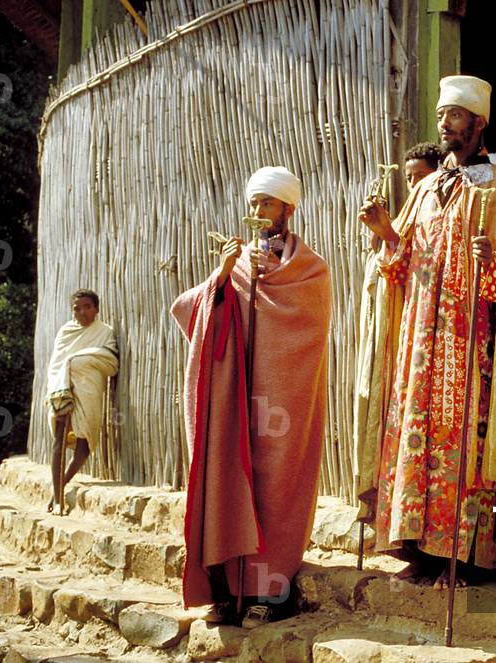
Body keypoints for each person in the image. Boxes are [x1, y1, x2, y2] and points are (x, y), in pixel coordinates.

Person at [358, 75, 496, 587]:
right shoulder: (422, 189)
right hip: (420, 342)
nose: (445, 125)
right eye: (442, 116)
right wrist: (385, 235)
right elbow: (401, 265)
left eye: (456, 117)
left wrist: (493, 264)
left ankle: (464, 556)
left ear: (479, 123)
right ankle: (418, 546)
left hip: (472, 344)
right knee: (416, 437)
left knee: (466, 442)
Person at [171, 166, 332, 626]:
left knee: (276, 486)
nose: (258, 211)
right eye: (254, 203)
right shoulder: (238, 265)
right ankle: (229, 589)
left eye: (268, 203)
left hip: (283, 401)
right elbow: (192, 311)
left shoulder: (310, 270)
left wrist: (279, 363)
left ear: (289, 209)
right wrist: (222, 277)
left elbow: (312, 333)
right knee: (229, 478)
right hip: (235, 400)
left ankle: (269, 591)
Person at [353, 142, 445, 525]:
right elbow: (393, 269)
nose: (414, 185)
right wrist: (386, 234)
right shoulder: (409, 214)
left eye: (420, 177)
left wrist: (391, 235)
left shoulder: (442, 213)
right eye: (409, 179)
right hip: (401, 340)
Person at [45, 289, 119, 513]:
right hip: (62, 389)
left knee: (84, 447)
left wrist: (79, 360)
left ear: (96, 308)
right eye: (77, 308)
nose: (82, 312)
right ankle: (58, 499)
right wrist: (64, 378)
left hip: (88, 390)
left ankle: (61, 485)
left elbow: (111, 362)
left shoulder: (105, 332)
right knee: (59, 441)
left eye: (87, 307)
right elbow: (56, 363)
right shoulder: (65, 332)